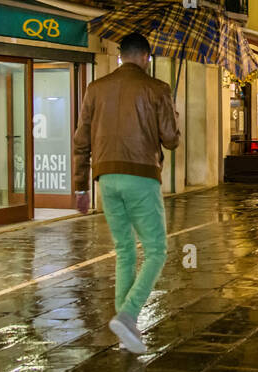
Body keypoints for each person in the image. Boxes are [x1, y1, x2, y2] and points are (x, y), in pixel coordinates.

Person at [73, 32, 180, 353]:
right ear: (146, 57)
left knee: (125, 250)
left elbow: (81, 140)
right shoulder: (156, 88)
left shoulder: (95, 88)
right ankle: (129, 313)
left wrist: (80, 187)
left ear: (121, 57)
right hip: (141, 176)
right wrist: (172, 113)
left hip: (106, 177)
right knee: (156, 249)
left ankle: (125, 327)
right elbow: (171, 139)